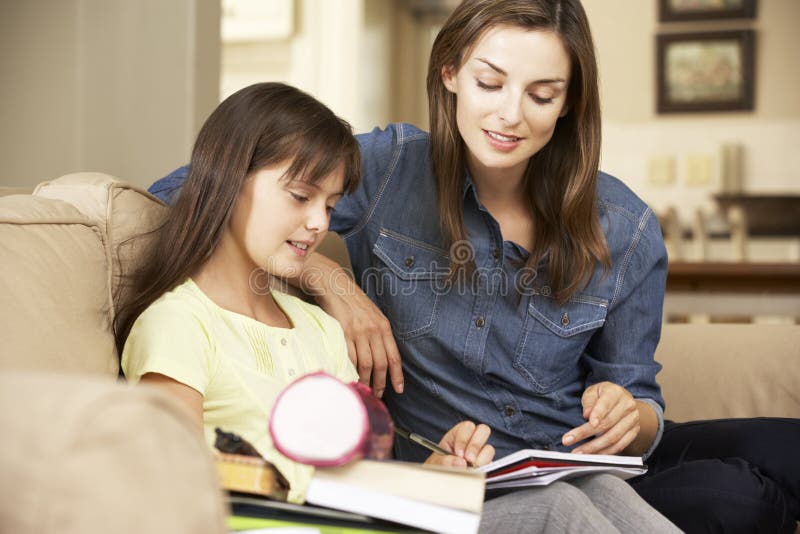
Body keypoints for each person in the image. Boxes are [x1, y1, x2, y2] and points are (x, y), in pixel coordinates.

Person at [149, 0, 794, 531]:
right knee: (735, 499)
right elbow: (191, 192)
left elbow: (640, 403)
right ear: (450, 72)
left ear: (568, 103)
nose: (510, 114)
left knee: (784, 448)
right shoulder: (390, 167)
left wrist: (631, 413)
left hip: (575, 458)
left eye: (542, 95)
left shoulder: (623, 227)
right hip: (467, 472)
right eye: (490, 83)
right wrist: (332, 280)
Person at [120, 81, 675, 534]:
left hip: (363, 519)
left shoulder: (317, 327)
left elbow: (359, 478)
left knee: (594, 487)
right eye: (299, 197)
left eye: (331, 205)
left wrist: (436, 473)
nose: (319, 223)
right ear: (227, 180)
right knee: (557, 511)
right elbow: (170, 493)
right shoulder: (177, 324)